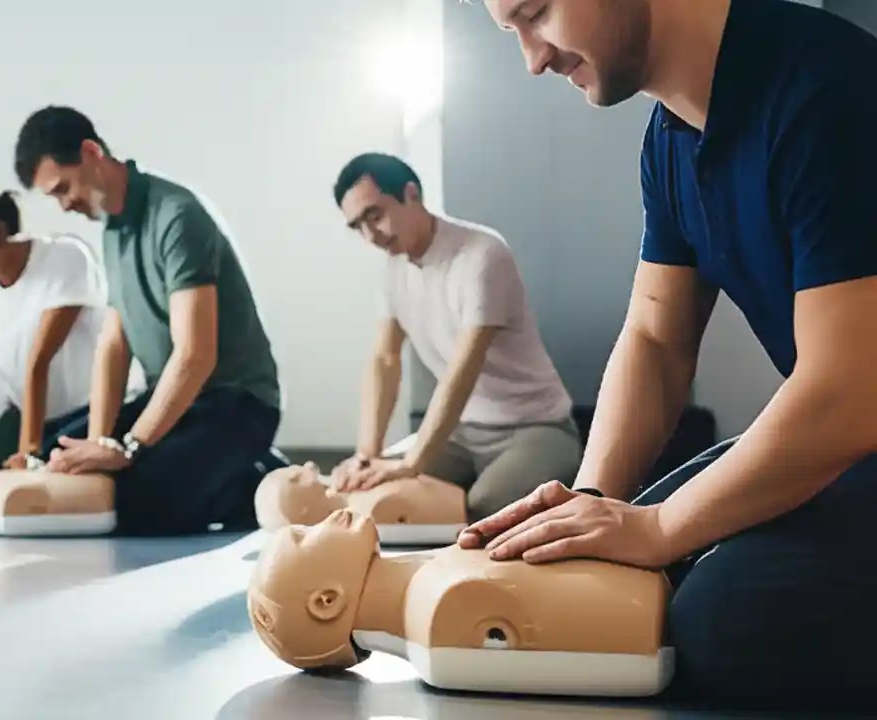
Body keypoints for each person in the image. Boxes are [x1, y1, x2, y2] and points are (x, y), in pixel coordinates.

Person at [461, 0, 877, 709]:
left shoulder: (826, 88)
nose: (533, 59)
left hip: (860, 420)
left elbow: (851, 392)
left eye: (536, 14)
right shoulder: (670, 140)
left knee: (718, 623)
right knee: (618, 571)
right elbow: (655, 336)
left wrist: (659, 529)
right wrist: (590, 502)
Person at [13, 105, 285, 535]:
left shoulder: (177, 216)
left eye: (63, 188)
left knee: (140, 502)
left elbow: (195, 355)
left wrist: (130, 447)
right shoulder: (111, 232)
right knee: (57, 457)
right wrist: (99, 444)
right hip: (176, 401)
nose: (65, 205)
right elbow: (114, 345)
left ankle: (252, 476)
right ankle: (207, 472)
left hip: (236, 403)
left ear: (90, 152)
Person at [330, 153, 580, 520]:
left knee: (485, 507)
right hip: (463, 434)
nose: (371, 235)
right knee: (372, 490)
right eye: (357, 226)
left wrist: (412, 463)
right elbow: (385, 360)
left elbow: (463, 371)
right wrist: (367, 456)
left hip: (535, 427)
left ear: (411, 194)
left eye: (375, 215)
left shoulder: (481, 255)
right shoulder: (393, 269)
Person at [0, 178, 107, 473]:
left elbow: (38, 364)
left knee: (36, 490)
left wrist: (29, 453)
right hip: (23, 412)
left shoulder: (63, 259)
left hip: (85, 411)